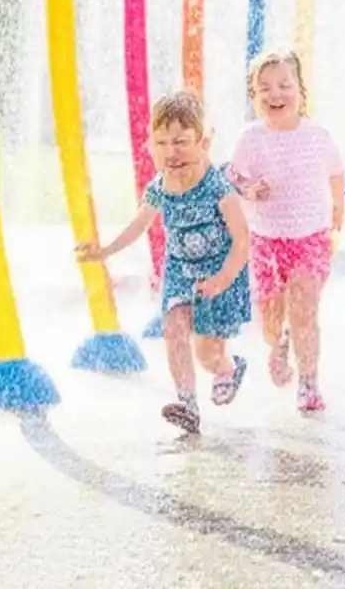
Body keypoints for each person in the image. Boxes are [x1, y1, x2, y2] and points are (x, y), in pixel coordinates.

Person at [76, 91, 250, 434]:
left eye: (182, 142)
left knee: (208, 353)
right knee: (173, 327)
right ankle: (187, 404)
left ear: (204, 142)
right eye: (163, 142)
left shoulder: (218, 187)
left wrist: (223, 279)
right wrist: (106, 250)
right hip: (180, 271)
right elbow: (140, 223)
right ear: (151, 145)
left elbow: (243, 239)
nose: (172, 152)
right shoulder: (160, 187)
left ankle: (229, 368)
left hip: (219, 272)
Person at [228, 48, 345, 413]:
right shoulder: (250, 137)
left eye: (284, 85)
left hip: (311, 236)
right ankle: (278, 343)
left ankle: (309, 382)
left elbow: (336, 174)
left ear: (300, 91)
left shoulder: (317, 135)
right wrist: (249, 189)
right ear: (254, 96)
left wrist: (339, 208)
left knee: (305, 309)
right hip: (265, 240)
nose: (275, 94)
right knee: (271, 315)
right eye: (264, 88)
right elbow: (231, 175)